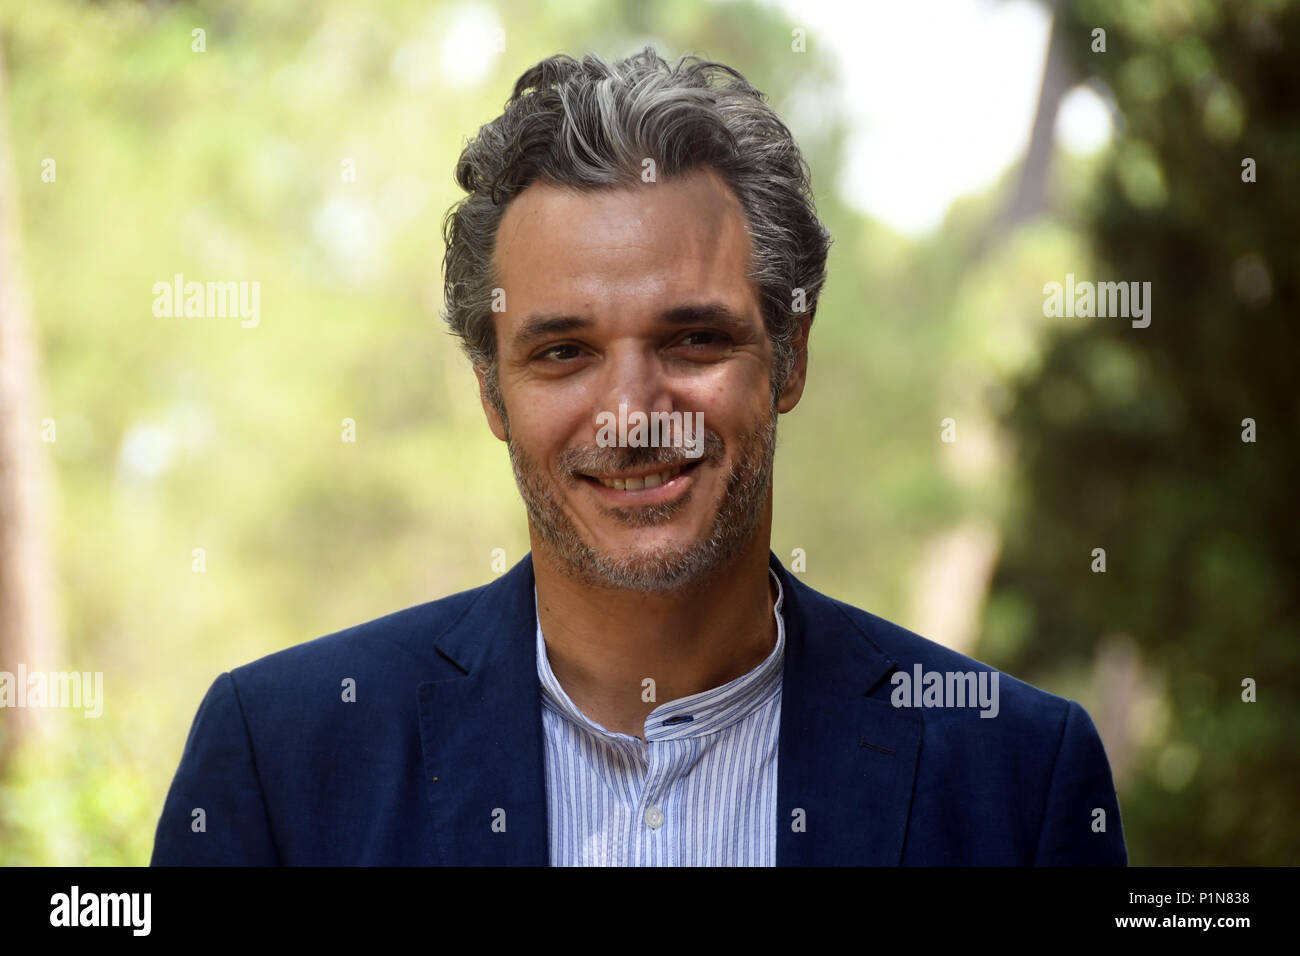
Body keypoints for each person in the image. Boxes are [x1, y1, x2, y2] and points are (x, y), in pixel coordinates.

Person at [151, 47, 1126, 866]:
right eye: (563, 352)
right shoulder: (283, 760)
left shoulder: (1016, 780)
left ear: (789, 355)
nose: (630, 412)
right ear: (492, 390)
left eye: (693, 339)